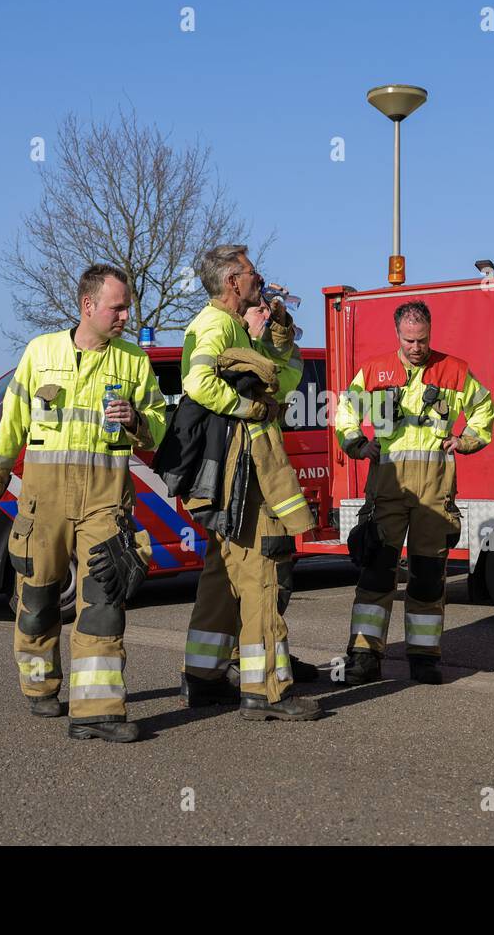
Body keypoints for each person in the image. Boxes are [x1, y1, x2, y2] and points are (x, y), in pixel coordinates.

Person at [0, 263, 167, 743]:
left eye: (127, 306)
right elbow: (13, 422)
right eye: (118, 306)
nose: (126, 315)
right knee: (38, 596)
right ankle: (39, 684)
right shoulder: (40, 352)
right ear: (88, 306)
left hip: (106, 499)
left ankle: (97, 710)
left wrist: (138, 421)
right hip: (43, 499)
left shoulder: (133, 361)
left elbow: (162, 425)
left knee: (104, 597)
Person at [178, 244, 323, 721]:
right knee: (263, 573)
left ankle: (202, 679)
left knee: (222, 575)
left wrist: (278, 336)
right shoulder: (219, 326)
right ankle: (266, 692)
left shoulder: (237, 327)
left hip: (235, 471)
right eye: (252, 273)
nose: (260, 279)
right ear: (231, 282)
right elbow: (200, 385)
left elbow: (284, 381)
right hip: (246, 472)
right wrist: (250, 408)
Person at [333, 300, 494, 685]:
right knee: (376, 573)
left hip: (434, 492)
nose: (416, 347)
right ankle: (364, 656)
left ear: (430, 332)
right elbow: (344, 413)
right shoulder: (373, 370)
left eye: (422, 340)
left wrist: (466, 440)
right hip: (388, 489)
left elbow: (485, 407)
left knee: (427, 576)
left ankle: (424, 657)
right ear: (397, 335)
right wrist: (358, 444)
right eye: (409, 341)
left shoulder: (454, 370)